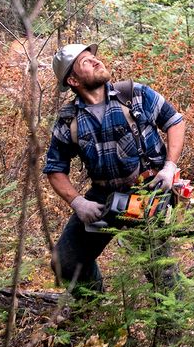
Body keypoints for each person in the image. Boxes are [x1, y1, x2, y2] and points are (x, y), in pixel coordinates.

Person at [42, 43, 186, 293]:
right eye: (86, 62)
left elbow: (175, 122)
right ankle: (93, 308)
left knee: (161, 272)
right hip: (104, 200)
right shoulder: (68, 120)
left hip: (147, 191)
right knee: (65, 262)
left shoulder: (134, 95)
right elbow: (55, 169)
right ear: (73, 80)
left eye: (94, 57)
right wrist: (78, 203)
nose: (97, 61)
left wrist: (169, 166)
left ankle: (173, 325)